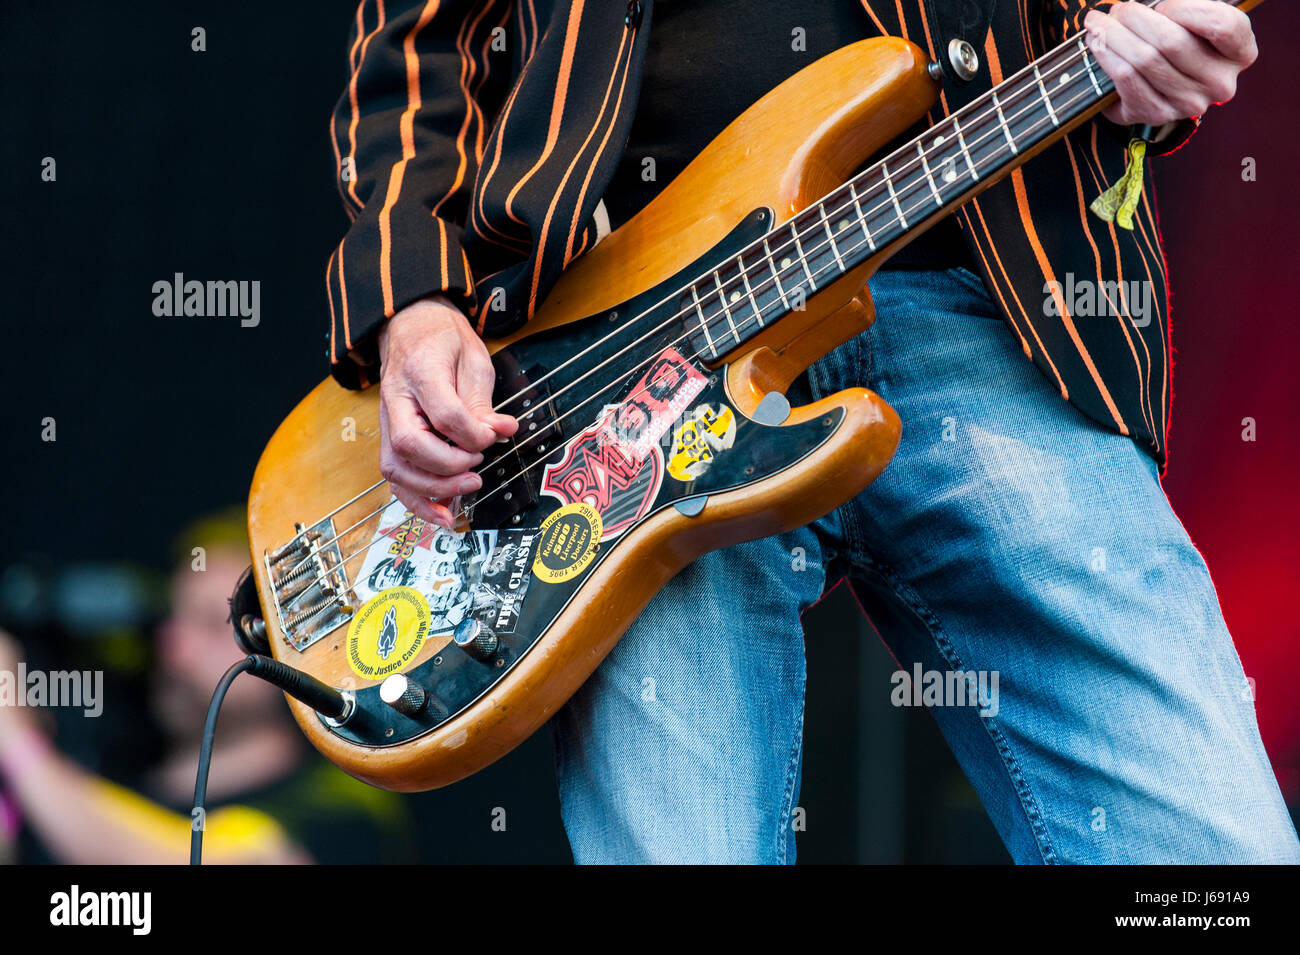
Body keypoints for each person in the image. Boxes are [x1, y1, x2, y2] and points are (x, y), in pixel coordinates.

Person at [324, 0, 1300, 862]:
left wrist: (1148, 39)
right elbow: (416, 42)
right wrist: (414, 295)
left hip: (989, 287)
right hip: (623, 348)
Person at [0, 508, 415, 864]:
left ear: (296, 648)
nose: (173, 645)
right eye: (174, 619)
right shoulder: (105, 767)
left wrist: (17, 740)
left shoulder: (344, 809)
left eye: (210, 627)